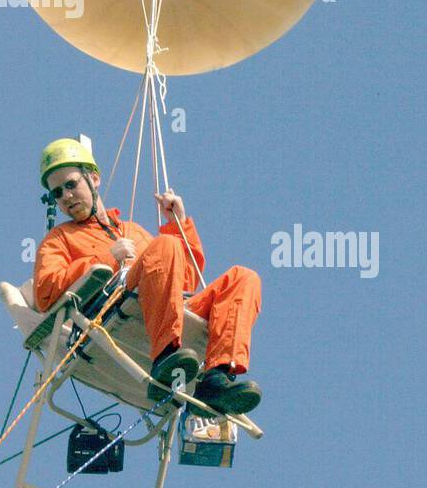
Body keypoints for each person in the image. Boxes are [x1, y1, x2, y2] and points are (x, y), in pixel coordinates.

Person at [35, 138, 263, 414]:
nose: (67, 197)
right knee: (164, 247)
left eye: (71, 185)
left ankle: (216, 377)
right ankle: (166, 357)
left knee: (244, 278)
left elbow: (185, 281)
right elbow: (45, 291)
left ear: (93, 179)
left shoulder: (132, 230)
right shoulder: (58, 239)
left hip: (163, 311)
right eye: (58, 193)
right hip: (114, 316)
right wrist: (107, 257)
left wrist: (176, 223)